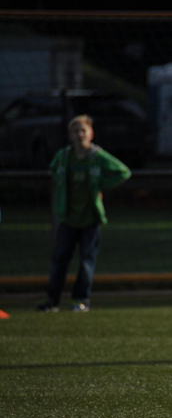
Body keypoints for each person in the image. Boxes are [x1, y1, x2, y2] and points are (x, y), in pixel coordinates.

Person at [37, 115, 131, 313]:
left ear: (91, 134)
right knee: (59, 260)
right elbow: (53, 170)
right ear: (70, 135)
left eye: (83, 131)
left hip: (90, 219)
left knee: (86, 262)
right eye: (75, 131)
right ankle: (52, 301)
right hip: (68, 218)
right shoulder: (64, 157)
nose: (79, 135)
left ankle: (81, 300)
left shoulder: (97, 156)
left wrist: (100, 186)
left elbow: (123, 172)